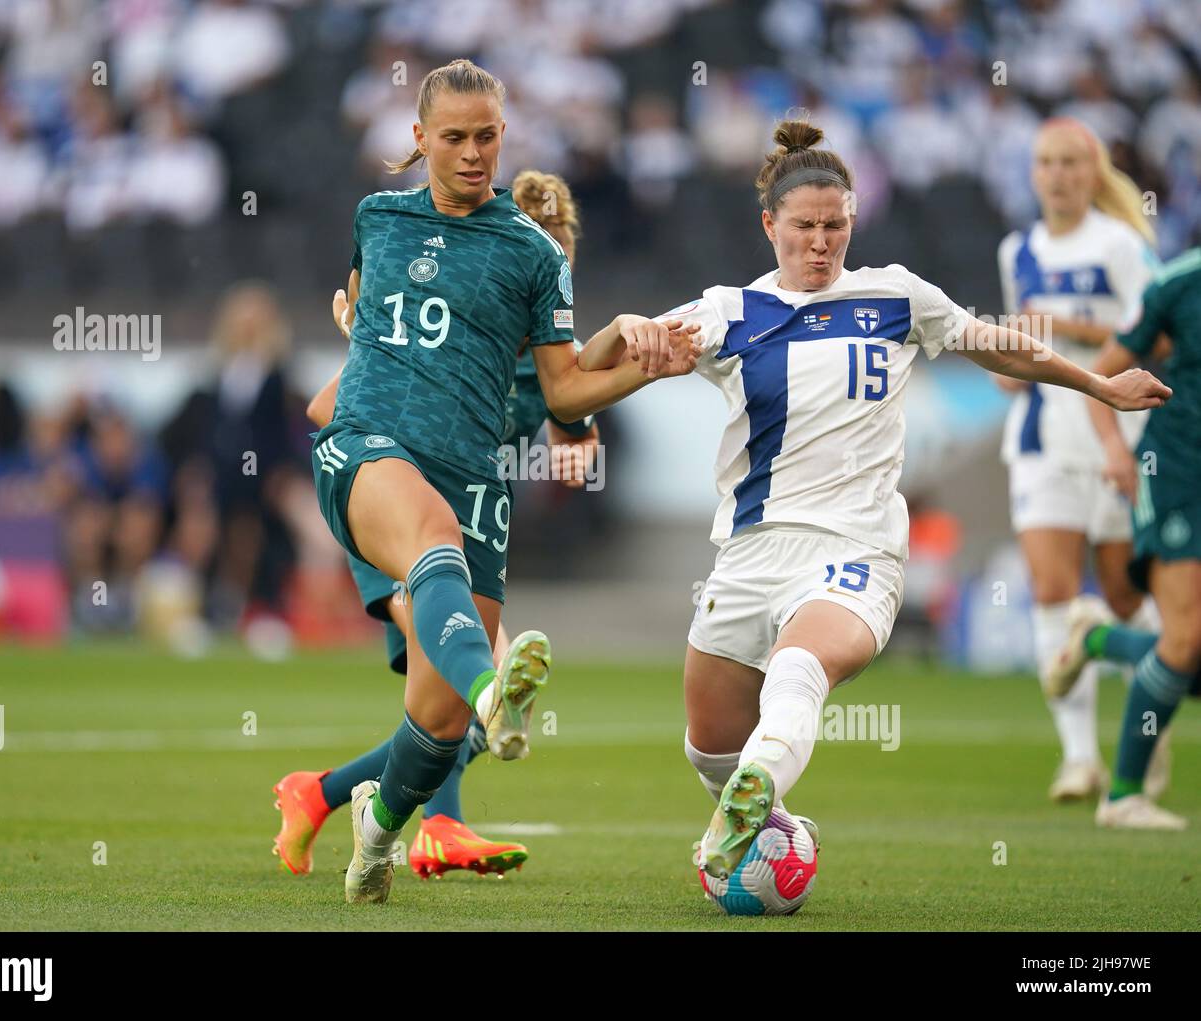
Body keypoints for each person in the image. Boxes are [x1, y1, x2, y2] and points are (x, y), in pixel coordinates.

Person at [579, 118, 1170, 889]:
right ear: (770, 226)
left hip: (856, 551)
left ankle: (758, 793)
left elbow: (998, 341)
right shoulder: (728, 312)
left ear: (852, 222)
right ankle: (768, 819)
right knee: (708, 749)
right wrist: (621, 327)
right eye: (804, 227)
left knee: (799, 668)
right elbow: (587, 369)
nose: (820, 242)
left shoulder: (895, 295)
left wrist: (1098, 382)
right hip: (751, 552)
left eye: (835, 225)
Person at [279, 59, 699, 905]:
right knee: (438, 566)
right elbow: (350, 361)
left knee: (434, 723)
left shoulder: (535, 256)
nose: (473, 153)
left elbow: (567, 389)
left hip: (475, 483)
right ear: (420, 138)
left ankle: (371, 826)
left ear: (504, 136)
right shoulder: (378, 218)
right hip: (370, 449)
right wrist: (361, 336)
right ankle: (493, 690)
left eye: (488, 137)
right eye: (455, 137)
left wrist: (645, 371)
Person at [273, 169, 601, 880]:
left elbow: (574, 406)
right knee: (479, 679)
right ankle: (439, 825)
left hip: (459, 520)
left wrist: (581, 429)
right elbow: (326, 407)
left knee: (456, 704)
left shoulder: (533, 366)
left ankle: (323, 793)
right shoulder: (451, 333)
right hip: (393, 516)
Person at [996, 117, 1165, 802]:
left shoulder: (1123, 245)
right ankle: (1079, 757)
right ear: (1032, 173)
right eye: (1045, 162)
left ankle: (1147, 735)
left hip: (1121, 441)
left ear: (1092, 172)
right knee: (1049, 592)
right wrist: (1008, 367)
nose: (1057, 174)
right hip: (1042, 439)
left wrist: (1069, 330)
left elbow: (1159, 339)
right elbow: (1018, 352)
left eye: (1070, 162)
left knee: (1125, 597)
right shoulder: (1018, 252)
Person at [1045, 246, 1201, 830]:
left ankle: (1097, 638)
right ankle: (1123, 797)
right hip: (1180, 472)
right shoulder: (1180, 284)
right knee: (1184, 643)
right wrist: (1114, 447)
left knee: (1189, 662)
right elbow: (1107, 369)